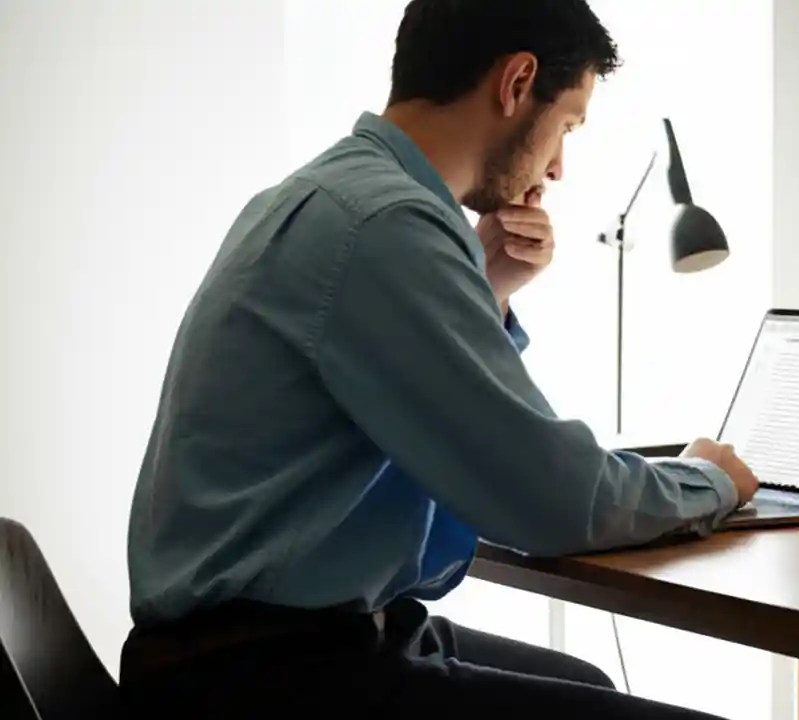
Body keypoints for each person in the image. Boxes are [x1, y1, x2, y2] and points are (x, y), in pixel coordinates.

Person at [119, 1, 760, 717]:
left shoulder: (330, 194)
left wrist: (485, 290)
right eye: (568, 125)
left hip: (264, 650)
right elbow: (550, 497)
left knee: (592, 686)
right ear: (517, 82)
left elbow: (439, 434)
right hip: (266, 679)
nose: (557, 165)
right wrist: (709, 481)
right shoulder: (385, 225)